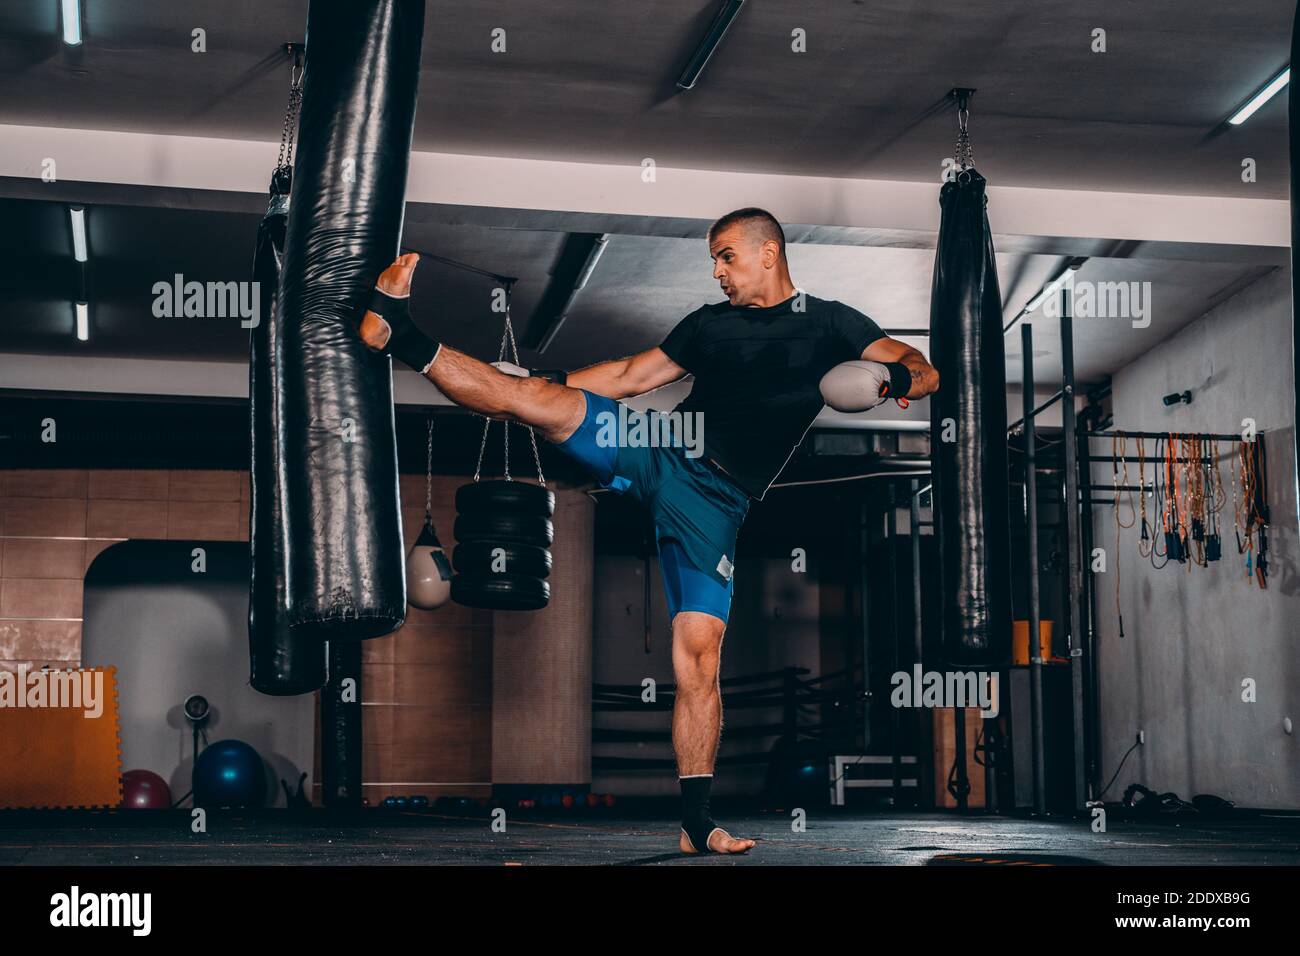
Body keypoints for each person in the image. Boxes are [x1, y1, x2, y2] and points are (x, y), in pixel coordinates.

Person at [357, 207, 940, 854]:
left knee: (698, 658)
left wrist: (891, 378)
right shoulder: (707, 325)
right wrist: (545, 384)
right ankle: (398, 334)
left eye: (727, 256)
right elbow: (634, 376)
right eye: (713, 258)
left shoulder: (834, 323)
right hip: (659, 444)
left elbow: (922, 365)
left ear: (769, 253)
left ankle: (697, 824)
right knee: (533, 405)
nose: (717, 270)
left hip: (717, 503)